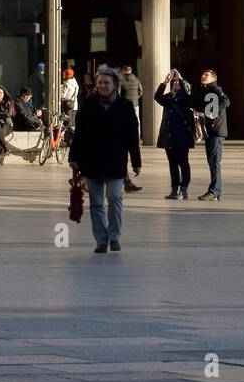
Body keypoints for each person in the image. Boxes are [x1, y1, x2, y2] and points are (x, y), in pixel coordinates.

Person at [69, 65, 143, 254]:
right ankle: (101, 240)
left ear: (115, 85)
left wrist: (136, 160)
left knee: (115, 197)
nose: (102, 85)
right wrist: (74, 157)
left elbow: (132, 136)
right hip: (91, 161)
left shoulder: (125, 107)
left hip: (115, 161)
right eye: (100, 82)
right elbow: (80, 133)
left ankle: (114, 236)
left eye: (106, 82)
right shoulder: (89, 104)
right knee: (96, 202)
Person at [155, 68, 194, 200]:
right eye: (175, 82)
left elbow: (189, 93)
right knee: (172, 163)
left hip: (182, 136)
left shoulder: (185, 98)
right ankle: (174, 188)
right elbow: (157, 97)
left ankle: (184, 188)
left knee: (183, 162)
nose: (176, 83)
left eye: (178, 82)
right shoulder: (168, 97)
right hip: (169, 136)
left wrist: (181, 78)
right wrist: (165, 82)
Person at [194, 69, 230, 202]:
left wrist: (215, 112)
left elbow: (226, 101)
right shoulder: (203, 91)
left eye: (206, 75)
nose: (203, 76)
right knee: (212, 162)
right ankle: (217, 191)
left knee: (214, 162)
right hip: (209, 131)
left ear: (213, 78)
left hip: (217, 131)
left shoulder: (215, 89)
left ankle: (214, 191)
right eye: (202, 74)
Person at [120, 64, 145, 142]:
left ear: (124, 71)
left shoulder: (121, 81)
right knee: (136, 120)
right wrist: (136, 98)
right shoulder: (137, 80)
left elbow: (118, 93)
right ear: (130, 71)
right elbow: (141, 91)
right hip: (135, 104)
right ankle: (137, 136)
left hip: (125, 104)